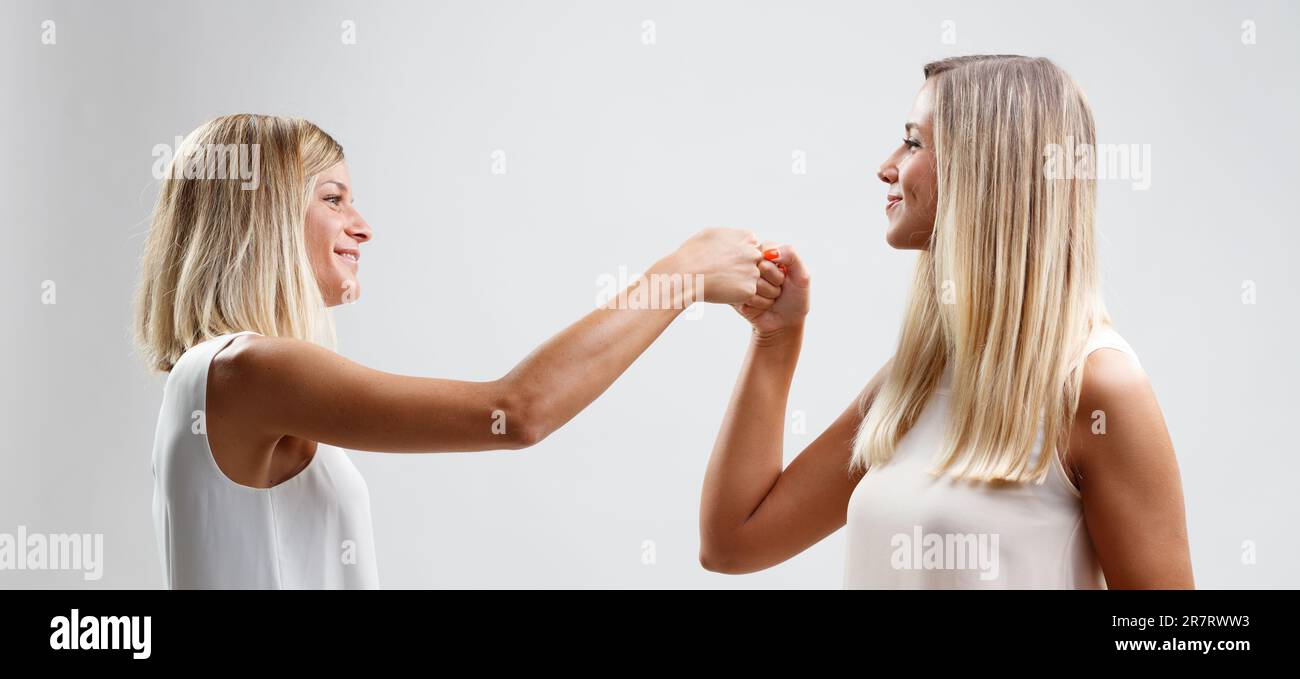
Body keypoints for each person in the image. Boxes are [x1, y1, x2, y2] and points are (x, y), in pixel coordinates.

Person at [134, 114, 782, 588]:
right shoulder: (249, 369)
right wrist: (684, 273)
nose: (362, 225)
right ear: (262, 215)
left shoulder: (214, 381)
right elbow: (518, 409)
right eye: (332, 200)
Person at [699, 55, 1194, 588]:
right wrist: (774, 339)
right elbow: (733, 542)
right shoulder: (915, 382)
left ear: (984, 165)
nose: (887, 166)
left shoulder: (1096, 386)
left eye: (913, 143)